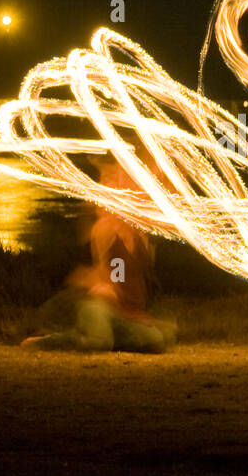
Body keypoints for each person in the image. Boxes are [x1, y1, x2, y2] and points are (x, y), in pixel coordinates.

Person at [21, 151, 176, 354]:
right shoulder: (106, 229)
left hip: (124, 312)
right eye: (109, 182)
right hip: (99, 305)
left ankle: (107, 333)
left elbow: (162, 195)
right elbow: (111, 277)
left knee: (160, 339)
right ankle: (50, 340)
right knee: (99, 343)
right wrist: (102, 284)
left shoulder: (143, 235)